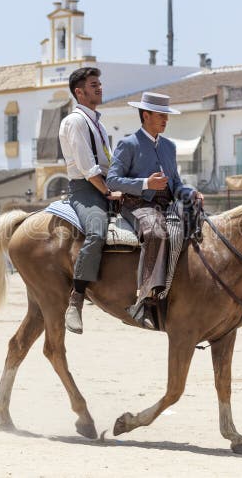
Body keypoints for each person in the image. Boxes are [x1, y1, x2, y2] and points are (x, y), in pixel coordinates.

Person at [107, 91, 202, 328]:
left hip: (167, 205)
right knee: (157, 232)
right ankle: (145, 299)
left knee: (201, 227)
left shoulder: (169, 146)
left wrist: (190, 192)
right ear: (146, 115)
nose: (166, 120)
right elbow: (112, 180)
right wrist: (145, 184)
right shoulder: (128, 144)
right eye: (161, 115)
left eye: (166, 115)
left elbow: (176, 183)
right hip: (136, 205)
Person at [57, 66, 120, 334]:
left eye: (99, 84)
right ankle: (77, 299)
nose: (100, 88)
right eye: (94, 85)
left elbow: (108, 162)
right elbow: (87, 167)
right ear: (79, 92)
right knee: (97, 231)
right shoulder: (75, 122)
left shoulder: (99, 124)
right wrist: (107, 192)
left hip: (105, 184)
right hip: (85, 188)